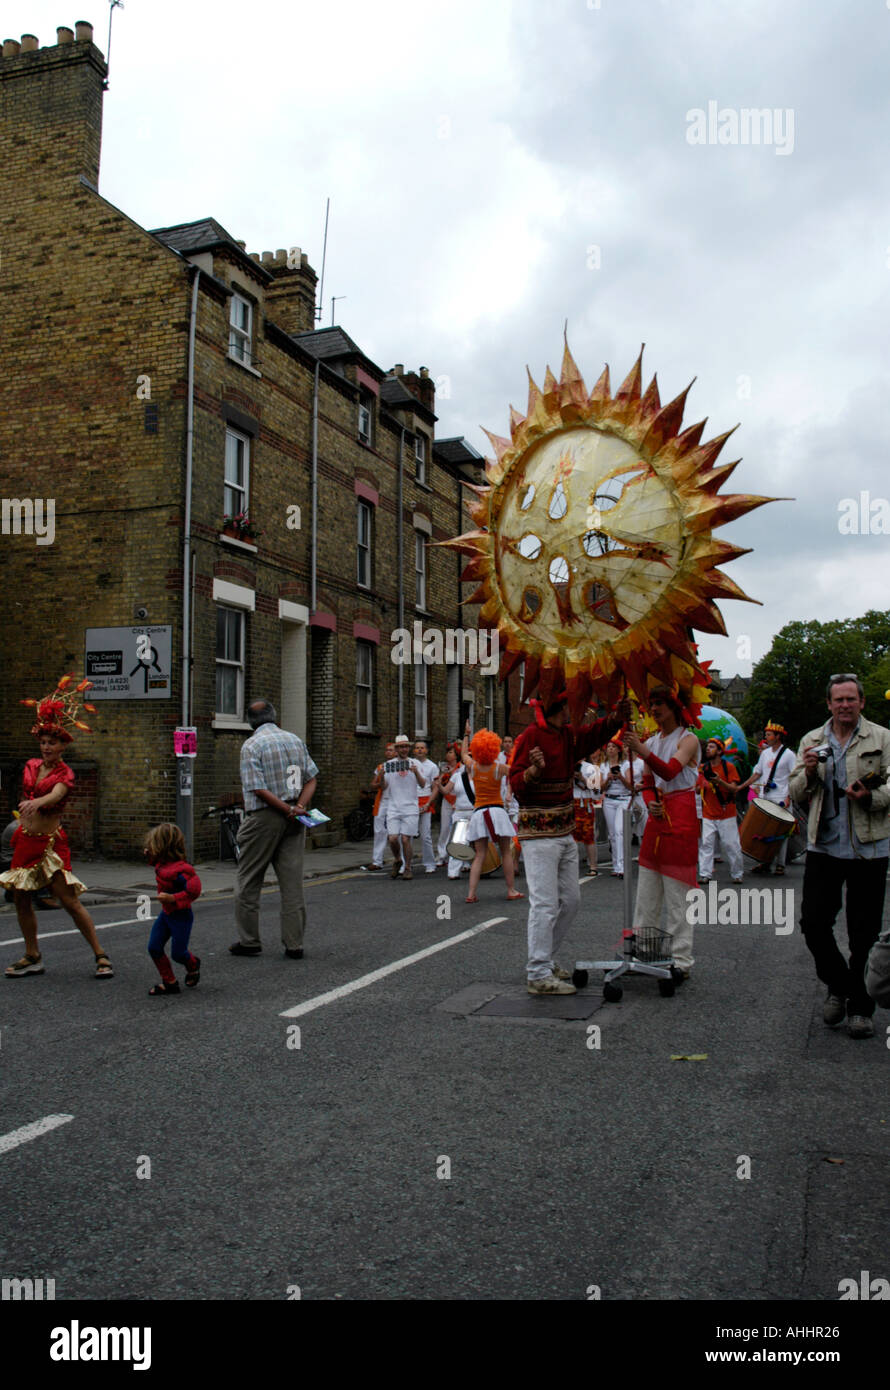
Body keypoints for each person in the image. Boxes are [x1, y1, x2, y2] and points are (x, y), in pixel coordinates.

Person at [790, 673, 890, 1040]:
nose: (845, 705)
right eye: (838, 700)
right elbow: (796, 791)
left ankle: (861, 1010)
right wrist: (811, 771)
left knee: (863, 933)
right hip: (824, 845)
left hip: (869, 848)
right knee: (813, 924)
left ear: (862, 702)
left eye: (851, 699)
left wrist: (871, 797)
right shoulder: (812, 740)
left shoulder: (882, 738)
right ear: (829, 704)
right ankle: (841, 985)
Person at [510, 691, 630, 995]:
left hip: (564, 831)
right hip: (538, 835)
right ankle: (537, 973)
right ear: (558, 707)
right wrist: (534, 771)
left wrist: (617, 717)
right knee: (545, 904)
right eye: (569, 707)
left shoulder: (566, 735)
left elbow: (593, 735)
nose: (573, 712)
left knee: (572, 901)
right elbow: (515, 785)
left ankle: (546, 960)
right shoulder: (531, 736)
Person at [2, 674, 113, 980]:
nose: (46, 747)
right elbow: (27, 796)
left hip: (51, 843)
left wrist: (36, 803)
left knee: (68, 900)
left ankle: (100, 954)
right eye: (43, 742)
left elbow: (57, 794)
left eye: (52, 742)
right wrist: (25, 811)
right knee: (21, 898)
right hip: (26, 840)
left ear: (63, 744)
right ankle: (32, 954)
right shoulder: (30, 766)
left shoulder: (65, 774)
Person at [624, 685, 702, 981]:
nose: (653, 709)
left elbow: (670, 771)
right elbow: (646, 782)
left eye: (659, 704)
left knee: (678, 893)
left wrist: (641, 749)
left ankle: (681, 959)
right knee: (647, 890)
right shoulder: (654, 740)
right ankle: (645, 949)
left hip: (680, 817)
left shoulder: (689, 739)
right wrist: (650, 802)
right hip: (657, 818)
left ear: (674, 707)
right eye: (651, 703)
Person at [231, 699, 318, 959]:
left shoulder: (252, 745)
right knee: (292, 883)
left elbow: (257, 788)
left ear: (250, 722)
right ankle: (294, 944)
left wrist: (285, 809)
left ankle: (249, 941)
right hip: (296, 816)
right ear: (274, 717)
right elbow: (311, 778)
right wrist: (298, 806)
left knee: (248, 880)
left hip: (265, 818)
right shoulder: (294, 740)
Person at [460, 724, 524, 904]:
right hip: (497, 811)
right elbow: (517, 771)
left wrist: (466, 735)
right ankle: (511, 890)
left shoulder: (473, 766)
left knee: (479, 854)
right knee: (505, 852)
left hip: (479, 812)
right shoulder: (499, 768)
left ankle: (471, 894)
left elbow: (464, 754)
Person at [143, 823, 202, 996]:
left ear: (163, 847)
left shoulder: (183, 870)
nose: (149, 848)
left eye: (153, 845)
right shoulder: (162, 863)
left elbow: (194, 890)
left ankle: (192, 965)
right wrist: (149, 855)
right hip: (166, 914)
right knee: (154, 947)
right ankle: (169, 982)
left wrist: (173, 898)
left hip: (181, 916)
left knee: (178, 953)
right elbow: (157, 866)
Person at [738, 719, 796, 875]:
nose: (766, 737)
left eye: (769, 734)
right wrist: (742, 786)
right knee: (764, 830)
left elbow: (794, 777)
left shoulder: (789, 755)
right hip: (766, 797)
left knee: (779, 832)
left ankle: (781, 864)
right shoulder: (764, 754)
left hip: (781, 798)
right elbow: (757, 773)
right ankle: (764, 862)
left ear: (777, 736)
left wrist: (789, 797)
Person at [697, 737, 744, 883]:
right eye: (707, 747)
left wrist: (719, 782)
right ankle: (705, 874)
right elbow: (697, 790)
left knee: (731, 844)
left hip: (726, 812)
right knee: (706, 844)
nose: (707, 749)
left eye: (711, 747)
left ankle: (737, 874)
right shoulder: (703, 768)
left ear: (719, 751)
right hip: (708, 813)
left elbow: (734, 788)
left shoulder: (728, 767)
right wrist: (701, 786)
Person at [384, 735, 425, 879]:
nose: (404, 749)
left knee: (406, 839)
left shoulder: (415, 763)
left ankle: (408, 867)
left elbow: (423, 784)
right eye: (401, 747)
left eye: (406, 746)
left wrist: (416, 772)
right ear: (396, 749)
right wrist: (381, 775)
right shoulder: (389, 765)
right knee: (393, 838)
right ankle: (397, 859)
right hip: (394, 807)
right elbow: (383, 786)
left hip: (410, 807)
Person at [601, 738, 632, 877]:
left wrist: (620, 777)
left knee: (620, 832)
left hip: (624, 799)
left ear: (619, 750)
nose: (611, 749)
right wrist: (608, 778)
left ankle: (622, 866)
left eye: (614, 746)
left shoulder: (626, 765)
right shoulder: (603, 765)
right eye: (609, 747)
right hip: (609, 800)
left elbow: (631, 786)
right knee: (612, 834)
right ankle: (615, 865)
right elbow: (601, 787)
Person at [366, 741, 396, 871]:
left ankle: (400, 859)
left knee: (395, 833)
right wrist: (380, 777)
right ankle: (377, 861)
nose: (388, 752)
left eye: (391, 750)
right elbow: (373, 785)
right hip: (383, 801)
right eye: (387, 750)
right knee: (379, 831)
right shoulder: (381, 767)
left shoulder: (402, 766)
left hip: (397, 801)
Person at [413, 740, 440, 874]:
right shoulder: (410, 763)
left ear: (427, 750)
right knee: (407, 835)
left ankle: (430, 863)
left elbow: (435, 787)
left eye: (422, 748)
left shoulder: (433, 766)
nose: (419, 750)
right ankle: (404, 863)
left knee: (426, 835)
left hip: (425, 800)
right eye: (417, 748)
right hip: (411, 801)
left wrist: (428, 803)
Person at [572, 758, 599, 876]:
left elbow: (596, 788)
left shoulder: (591, 767)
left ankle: (593, 865)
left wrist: (582, 778)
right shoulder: (566, 764)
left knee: (588, 834)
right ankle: (570, 866)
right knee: (570, 836)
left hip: (585, 801)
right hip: (571, 801)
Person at [436, 745, 460, 865]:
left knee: (458, 828)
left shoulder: (461, 767)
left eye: (451, 752)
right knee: (445, 828)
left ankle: (457, 855)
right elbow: (439, 785)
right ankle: (442, 855)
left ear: (456, 754)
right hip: (447, 799)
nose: (448, 755)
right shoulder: (443, 768)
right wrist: (441, 775)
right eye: (447, 752)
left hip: (459, 799)